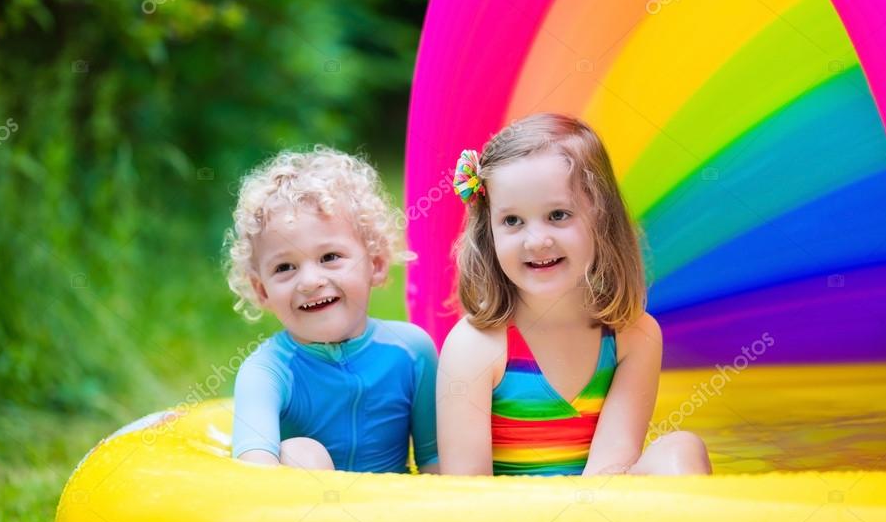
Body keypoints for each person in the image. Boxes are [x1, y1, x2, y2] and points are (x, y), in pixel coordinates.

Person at [437, 113, 712, 476]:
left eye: (558, 215)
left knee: (682, 449)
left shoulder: (633, 336)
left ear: (601, 219)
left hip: (597, 514)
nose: (537, 241)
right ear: (489, 232)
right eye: (512, 221)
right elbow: (466, 496)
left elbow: (609, 472)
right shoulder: (476, 346)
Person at [224, 146, 439, 473]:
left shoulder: (412, 351)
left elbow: (435, 462)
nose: (310, 281)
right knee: (301, 452)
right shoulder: (266, 372)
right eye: (285, 267)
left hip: (394, 517)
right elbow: (253, 474)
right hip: (308, 520)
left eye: (329, 258)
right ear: (261, 290)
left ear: (376, 264)